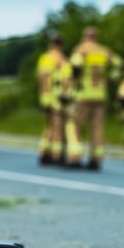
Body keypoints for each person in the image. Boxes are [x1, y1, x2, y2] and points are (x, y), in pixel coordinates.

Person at [68, 26, 122, 170]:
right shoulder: (104, 51)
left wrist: (75, 83)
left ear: (84, 36)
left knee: (74, 126)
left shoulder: (81, 50)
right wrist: (111, 78)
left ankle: (75, 157)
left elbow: (75, 66)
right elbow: (119, 64)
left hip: (83, 94)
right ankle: (96, 159)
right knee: (97, 128)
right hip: (100, 94)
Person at [35, 34, 69, 165]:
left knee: (49, 125)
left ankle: (44, 151)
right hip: (56, 96)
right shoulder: (61, 59)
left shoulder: (45, 58)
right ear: (61, 45)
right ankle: (57, 155)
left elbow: (41, 77)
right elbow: (64, 79)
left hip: (46, 96)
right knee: (58, 126)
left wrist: (43, 96)